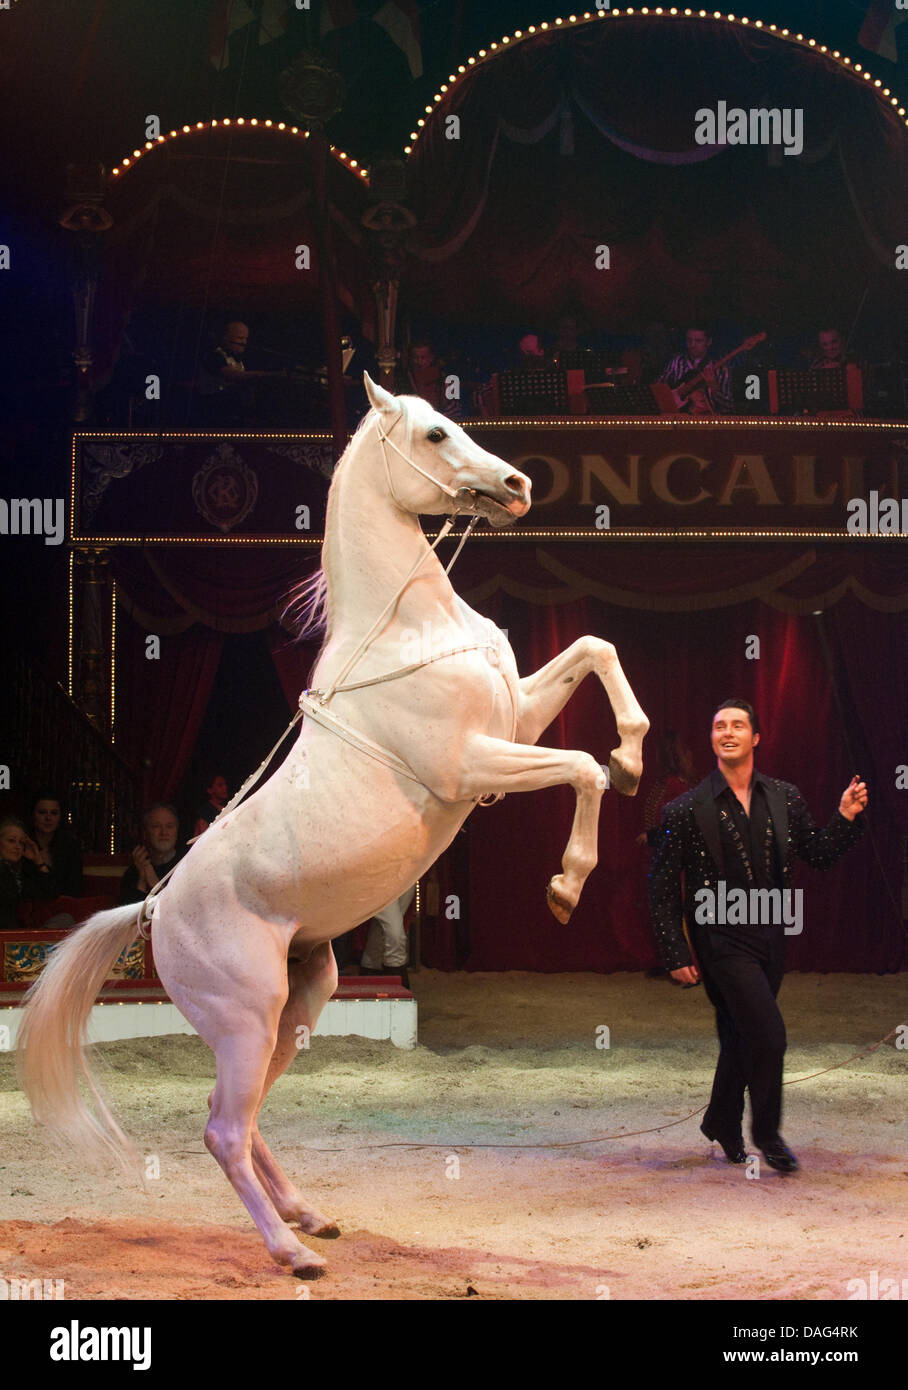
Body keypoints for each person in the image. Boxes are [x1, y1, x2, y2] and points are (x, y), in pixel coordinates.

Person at [647, 699, 867, 1173]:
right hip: (719, 937)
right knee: (768, 1035)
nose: (727, 732)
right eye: (719, 725)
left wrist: (845, 817)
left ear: (756, 737)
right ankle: (766, 1134)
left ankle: (721, 1123)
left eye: (738, 725)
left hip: (771, 934)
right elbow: (662, 886)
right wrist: (673, 949)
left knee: (740, 1036)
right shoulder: (684, 809)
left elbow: (820, 853)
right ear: (712, 739)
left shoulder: (784, 797)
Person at [118, 803, 186, 905]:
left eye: (169, 826)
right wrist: (142, 881)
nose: (164, 833)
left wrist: (154, 883)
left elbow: (179, 912)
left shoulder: (187, 867)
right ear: (145, 833)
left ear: (177, 831)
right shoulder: (133, 872)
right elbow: (129, 916)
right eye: (156, 827)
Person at [658, 326, 733, 414]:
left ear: (708, 342)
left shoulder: (722, 370)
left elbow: (729, 408)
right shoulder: (677, 362)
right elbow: (658, 390)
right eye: (689, 340)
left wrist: (714, 388)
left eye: (698, 341)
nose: (692, 345)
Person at [0, 815, 56, 929]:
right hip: (6, 936)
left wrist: (38, 860)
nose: (17, 847)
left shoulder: (17, 873)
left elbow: (51, 894)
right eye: (11, 841)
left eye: (21, 843)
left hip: (17, 934)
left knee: (65, 919)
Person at [359, 884, 415, 989]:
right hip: (378, 878)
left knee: (382, 927)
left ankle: (370, 969)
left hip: (408, 873)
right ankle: (396, 984)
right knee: (395, 932)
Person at [29, 788, 83, 897]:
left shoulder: (70, 847)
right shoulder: (22, 844)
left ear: (60, 817)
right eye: (42, 812)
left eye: (54, 813)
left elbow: (74, 890)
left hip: (62, 908)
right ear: (33, 815)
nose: (48, 818)